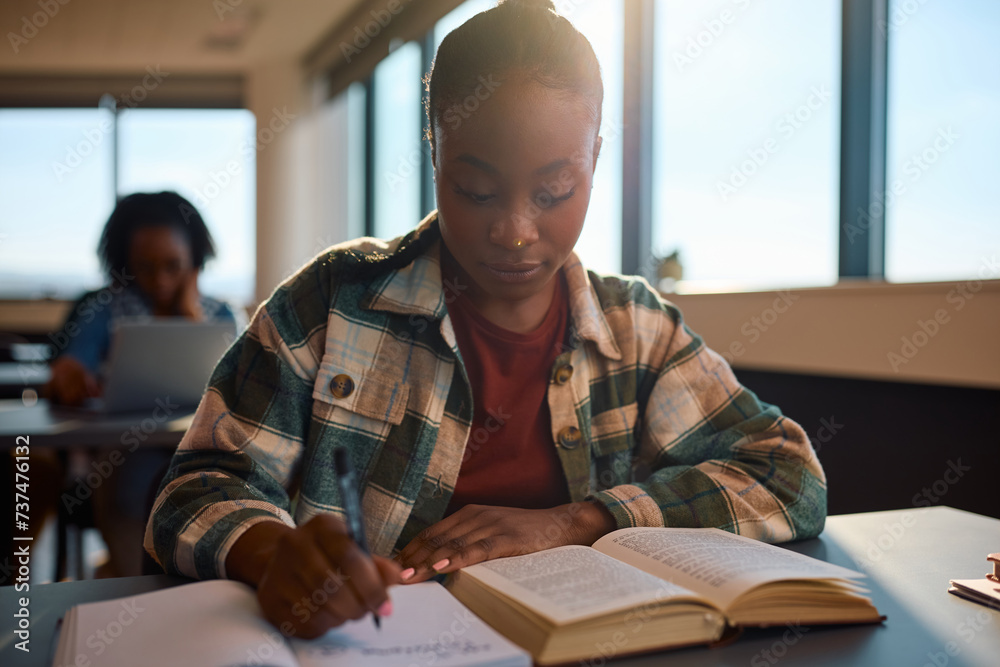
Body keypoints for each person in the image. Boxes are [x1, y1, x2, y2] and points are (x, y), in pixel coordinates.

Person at [145, 0, 826, 639]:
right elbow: (194, 490)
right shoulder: (332, 303)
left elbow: (788, 474)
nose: (516, 231)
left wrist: (577, 520)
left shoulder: (638, 332)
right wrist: (272, 552)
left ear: (594, 158)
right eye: (475, 190)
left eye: (554, 191)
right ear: (434, 152)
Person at [45, 190, 240, 577]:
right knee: (132, 487)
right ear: (125, 263)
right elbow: (72, 364)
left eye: (173, 265)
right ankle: (128, 576)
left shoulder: (222, 315)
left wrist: (190, 319)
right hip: (126, 453)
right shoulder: (106, 309)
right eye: (145, 267)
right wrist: (69, 376)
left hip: (202, 449)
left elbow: (234, 390)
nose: (160, 280)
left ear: (195, 260)